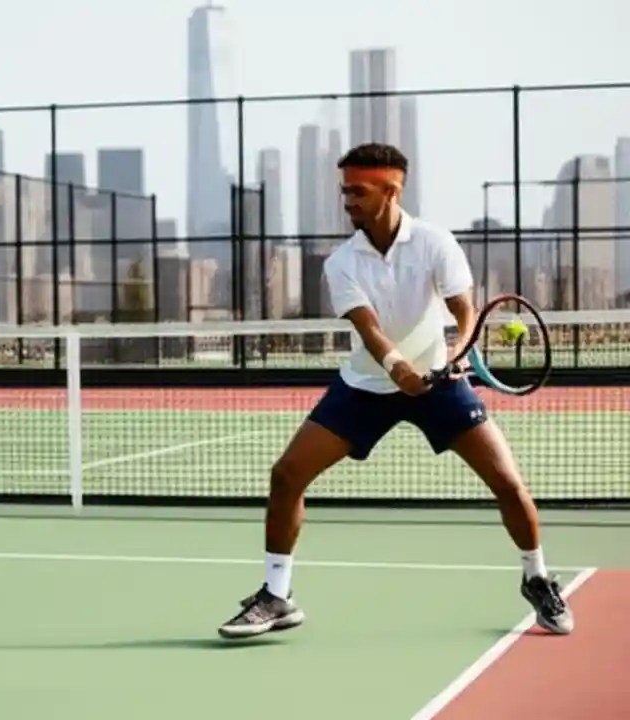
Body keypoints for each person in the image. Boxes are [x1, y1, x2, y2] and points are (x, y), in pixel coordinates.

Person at [216, 143, 574, 640]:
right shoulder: (342, 262)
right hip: (364, 386)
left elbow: (465, 313)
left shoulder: (434, 242)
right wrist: (396, 367)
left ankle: (537, 579)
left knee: (508, 481)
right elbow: (369, 328)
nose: (348, 201)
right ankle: (278, 596)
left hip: (440, 387)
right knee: (287, 474)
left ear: (392, 190)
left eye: (358, 191)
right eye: (344, 191)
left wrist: (451, 357)